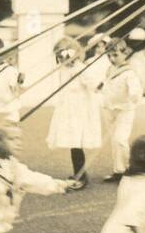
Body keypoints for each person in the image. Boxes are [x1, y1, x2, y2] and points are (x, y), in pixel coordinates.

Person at [45, 36, 105, 186]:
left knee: (76, 143)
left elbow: (95, 86)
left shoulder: (81, 69)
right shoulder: (64, 70)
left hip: (80, 112)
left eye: (63, 56)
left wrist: (101, 85)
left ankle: (81, 176)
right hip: (68, 111)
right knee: (73, 144)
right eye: (59, 57)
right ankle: (79, 173)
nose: (61, 59)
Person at [100, 36, 144, 183]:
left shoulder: (129, 72)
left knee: (120, 139)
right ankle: (118, 170)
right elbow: (107, 86)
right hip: (109, 108)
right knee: (114, 140)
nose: (112, 59)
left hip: (125, 110)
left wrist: (133, 95)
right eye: (109, 55)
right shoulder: (109, 69)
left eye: (116, 55)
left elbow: (136, 90)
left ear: (125, 53)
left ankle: (129, 168)